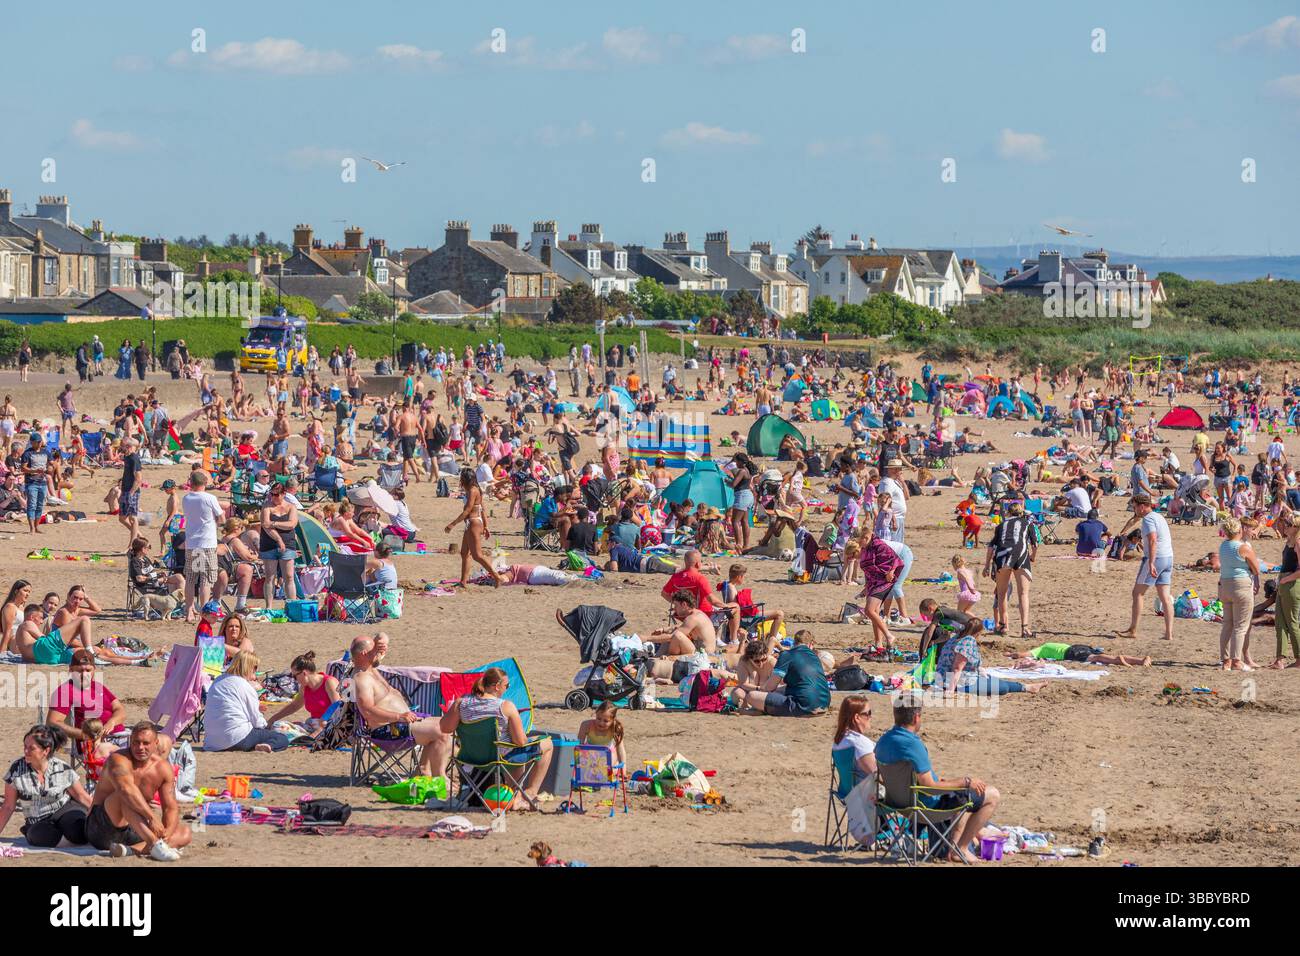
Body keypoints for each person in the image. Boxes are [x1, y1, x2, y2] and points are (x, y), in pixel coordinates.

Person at [874, 693, 1001, 864]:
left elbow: (903, 777)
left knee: (961, 792)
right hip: (925, 808)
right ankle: (960, 848)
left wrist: (948, 783)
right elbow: (930, 787)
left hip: (898, 804)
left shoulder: (883, 741)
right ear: (917, 717)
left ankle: (954, 843)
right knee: (991, 795)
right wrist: (966, 781)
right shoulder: (912, 743)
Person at [440, 666, 554, 810]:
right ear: (497, 686)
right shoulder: (505, 706)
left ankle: (515, 796)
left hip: (470, 758)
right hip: (499, 759)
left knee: (513, 749)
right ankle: (529, 793)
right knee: (546, 743)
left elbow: (445, 728)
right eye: (507, 686)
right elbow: (521, 742)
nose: (507, 689)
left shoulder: (461, 703)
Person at [87, 721, 190, 860]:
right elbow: (126, 790)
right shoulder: (118, 760)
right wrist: (152, 818)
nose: (140, 747)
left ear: (156, 743)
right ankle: (154, 845)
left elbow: (170, 808)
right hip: (101, 827)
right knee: (123, 795)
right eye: (136, 742)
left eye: (145, 743)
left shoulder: (162, 768)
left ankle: (130, 850)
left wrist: (167, 833)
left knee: (184, 832)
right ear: (130, 741)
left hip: (135, 826)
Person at [351, 634, 451, 778]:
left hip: (402, 722)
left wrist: (380, 643)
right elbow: (368, 711)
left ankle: (423, 770)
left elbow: (382, 636)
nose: (379, 653)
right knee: (440, 732)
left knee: (447, 726)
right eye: (375, 650)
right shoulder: (361, 679)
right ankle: (439, 777)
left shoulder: (371, 669)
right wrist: (399, 716)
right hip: (388, 730)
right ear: (364, 654)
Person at [0, 724, 92, 848]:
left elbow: (81, 796)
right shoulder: (16, 770)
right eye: (25, 747)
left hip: (65, 809)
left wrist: (104, 816)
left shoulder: (62, 768)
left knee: (77, 829)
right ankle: (70, 842)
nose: (26, 751)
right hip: (37, 819)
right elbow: (8, 806)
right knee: (38, 836)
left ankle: (73, 838)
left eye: (31, 748)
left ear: (46, 750)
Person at [1114, 494, 1175, 642]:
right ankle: (1169, 633)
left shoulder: (1148, 519)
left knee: (1138, 593)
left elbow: (1153, 540)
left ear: (1142, 506)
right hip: (1168, 557)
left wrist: (1151, 562)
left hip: (1157, 558)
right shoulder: (1159, 516)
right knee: (1165, 597)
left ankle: (1133, 629)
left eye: (1135, 507)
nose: (1135, 510)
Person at [730, 630, 831, 717]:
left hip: (804, 707)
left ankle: (759, 710)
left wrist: (760, 690)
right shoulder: (815, 657)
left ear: (794, 642)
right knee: (778, 691)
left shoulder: (786, 655)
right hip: (824, 703)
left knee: (752, 696)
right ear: (810, 644)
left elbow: (769, 688)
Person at [204, 651, 289, 752]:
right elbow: (257, 720)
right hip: (237, 738)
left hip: (212, 742)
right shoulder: (244, 685)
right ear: (249, 668)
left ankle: (260, 743)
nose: (255, 673)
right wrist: (267, 726)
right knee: (281, 738)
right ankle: (268, 745)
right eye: (254, 669)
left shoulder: (218, 681)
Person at [46, 649, 127, 751]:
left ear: (94, 669)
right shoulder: (65, 691)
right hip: (94, 744)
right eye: (80, 670)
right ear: (71, 669)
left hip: (120, 736)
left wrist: (112, 722)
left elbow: (120, 709)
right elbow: (52, 722)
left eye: (88, 670)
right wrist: (86, 735)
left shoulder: (98, 686)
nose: (84, 675)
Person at [984, 500, 1038, 639]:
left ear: (1008, 512)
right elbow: (1035, 544)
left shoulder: (1001, 525)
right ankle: (1025, 629)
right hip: (1020, 556)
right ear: (1021, 512)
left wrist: (986, 566)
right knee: (1023, 594)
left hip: (1002, 556)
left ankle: (1003, 626)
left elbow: (991, 547)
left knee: (1002, 594)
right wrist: (1032, 556)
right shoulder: (1028, 524)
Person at [445, 468, 503, 587]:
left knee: (477, 555)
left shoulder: (473, 490)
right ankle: (463, 582)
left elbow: (468, 510)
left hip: (474, 523)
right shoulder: (473, 489)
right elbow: (483, 509)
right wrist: (486, 526)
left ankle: (497, 577)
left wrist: (453, 524)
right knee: (464, 553)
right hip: (471, 523)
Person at [1217, 516, 1261, 672]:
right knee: (1240, 626)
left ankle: (1225, 661)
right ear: (1239, 529)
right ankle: (1237, 661)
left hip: (1225, 585)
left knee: (1227, 624)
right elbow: (1256, 569)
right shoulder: (1243, 547)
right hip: (1240, 585)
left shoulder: (1223, 546)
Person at [181, 470, 225, 622]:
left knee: (191, 579)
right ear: (205, 483)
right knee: (206, 580)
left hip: (192, 543)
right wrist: (215, 522)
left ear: (191, 483)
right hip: (207, 542)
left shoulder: (186, 498)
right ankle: (204, 612)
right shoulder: (210, 498)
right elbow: (222, 518)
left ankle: (189, 611)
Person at [855, 525, 904, 649]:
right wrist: (866, 586)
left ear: (866, 537)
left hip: (884, 581)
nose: (859, 544)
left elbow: (895, 559)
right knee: (874, 612)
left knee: (869, 610)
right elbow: (868, 569)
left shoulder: (879, 545)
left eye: (859, 541)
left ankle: (889, 635)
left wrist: (892, 571)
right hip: (873, 582)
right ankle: (879, 643)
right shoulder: (866, 548)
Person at [264, 651, 340, 729]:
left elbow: (338, 707)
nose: (294, 680)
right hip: (313, 725)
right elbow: (294, 706)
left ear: (304, 673)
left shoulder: (329, 682)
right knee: (278, 726)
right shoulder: (305, 687)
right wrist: (272, 719)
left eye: (294, 676)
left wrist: (319, 729)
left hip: (329, 727)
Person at [258, 483, 300, 606]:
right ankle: (269, 606)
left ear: (284, 494)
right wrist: (279, 539)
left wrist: (274, 523)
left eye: (276, 495)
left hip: (288, 544)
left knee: (289, 577)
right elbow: (266, 526)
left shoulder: (291, 507)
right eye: (271, 494)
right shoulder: (266, 506)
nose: (273, 497)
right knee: (270, 577)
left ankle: (292, 605)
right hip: (269, 545)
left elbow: (292, 524)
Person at [1271, 510, 1300, 669]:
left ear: (1296, 527)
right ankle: (1279, 659)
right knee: (1280, 622)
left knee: (1292, 623)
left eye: (1288, 524)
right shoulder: (1289, 541)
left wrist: (1286, 579)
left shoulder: (1298, 543)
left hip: (1292, 584)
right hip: (1284, 581)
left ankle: (1299, 658)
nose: (1285, 526)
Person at [19, 431, 50, 534]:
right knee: (32, 505)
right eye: (38, 442)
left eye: (40, 441)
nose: (40, 443)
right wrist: (35, 471)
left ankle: (37, 527)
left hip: (43, 482)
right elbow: (23, 469)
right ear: (32, 443)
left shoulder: (46, 452)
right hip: (31, 482)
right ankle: (32, 528)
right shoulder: (27, 453)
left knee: (40, 505)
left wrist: (50, 468)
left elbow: (51, 463)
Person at [118, 437, 143, 549]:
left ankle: (132, 545)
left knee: (133, 518)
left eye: (123, 445)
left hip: (132, 491)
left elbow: (138, 479)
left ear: (128, 446)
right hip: (125, 490)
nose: (121, 447)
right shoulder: (127, 457)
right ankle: (140, 536)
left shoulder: (134, 458)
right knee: (122, 518)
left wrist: (131, 493)